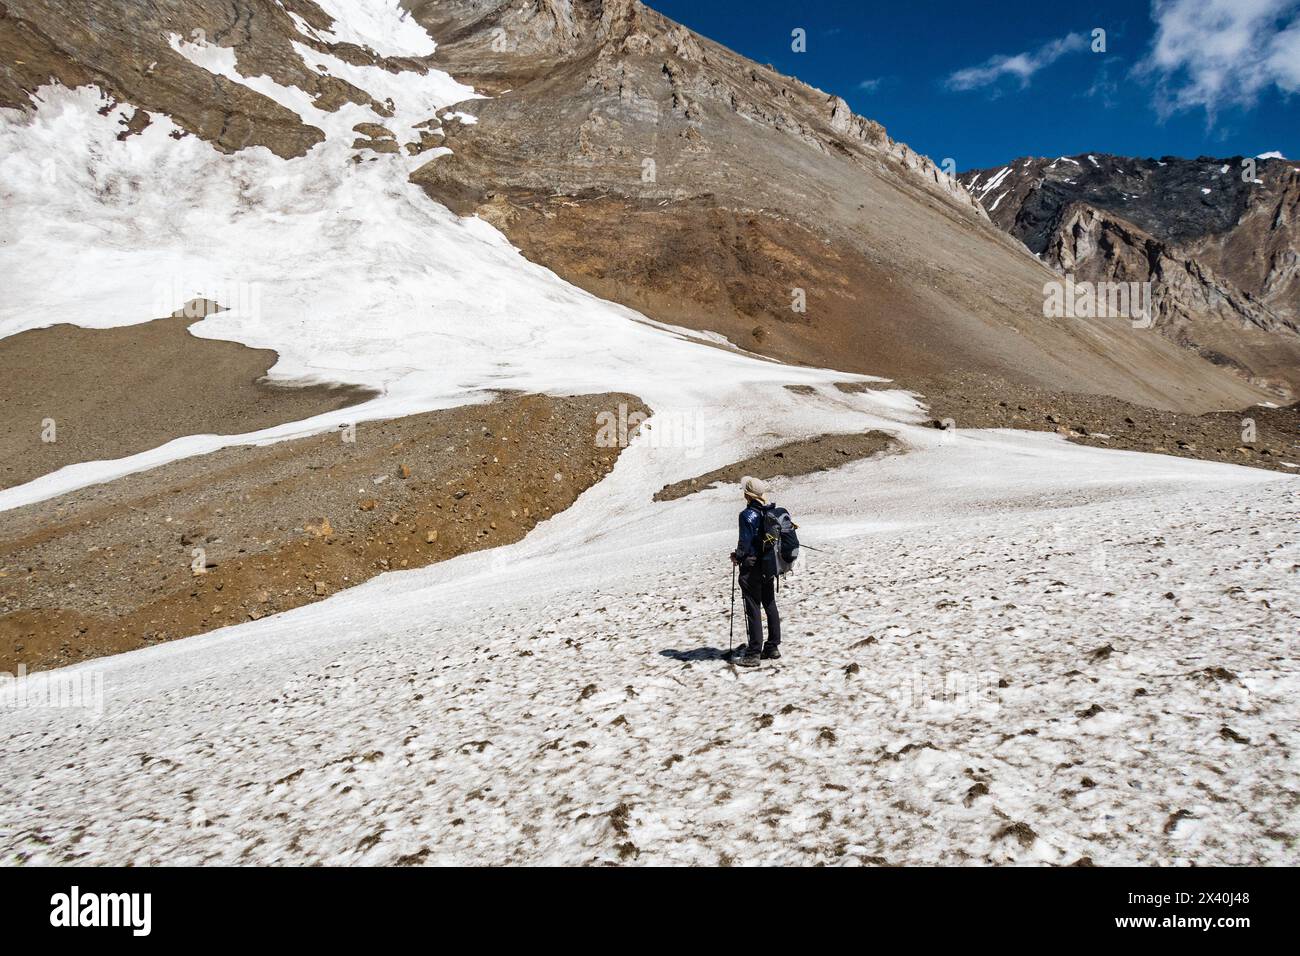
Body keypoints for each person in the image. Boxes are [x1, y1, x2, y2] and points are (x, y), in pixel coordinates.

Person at [729, 475, 781, 667]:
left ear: (748, 495)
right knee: (769, 603)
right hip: (769, 564)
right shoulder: (769, 511)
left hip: (752, 567)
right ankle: (773, 646)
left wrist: (737, 556)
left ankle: (753, 653)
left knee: (753, 608)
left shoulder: (747, 515)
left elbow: (745, 543)